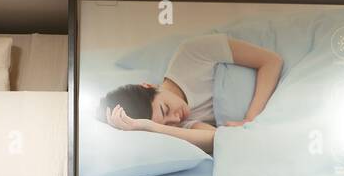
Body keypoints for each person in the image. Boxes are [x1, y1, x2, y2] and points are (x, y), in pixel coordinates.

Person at [102, 34, 282, 154]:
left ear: (148, 85)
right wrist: (151, 127)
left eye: (165, 109)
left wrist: (251, 118)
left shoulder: (192, 53)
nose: (175, 119)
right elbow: (217, 140)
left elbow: (272, 61)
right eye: (166, 124)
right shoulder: (177, 127)